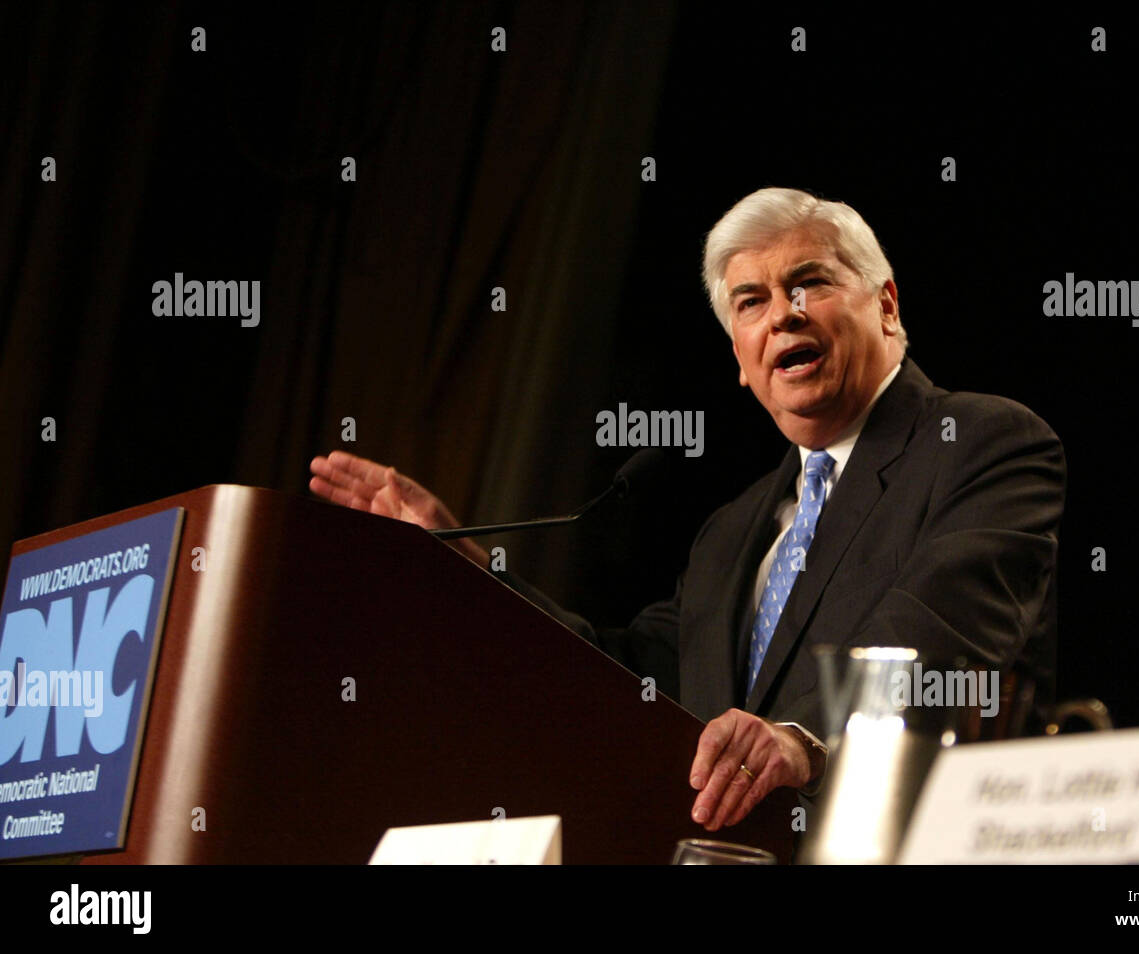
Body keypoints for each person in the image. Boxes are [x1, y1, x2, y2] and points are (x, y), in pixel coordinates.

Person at [309, 187, 1066, 835]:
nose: (783, 315)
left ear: (887, 306)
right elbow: (626, 677)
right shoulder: (733, 531)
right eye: (751, 302)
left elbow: (939, 632)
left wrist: (801, 738)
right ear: (740, 359)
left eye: (809, 283)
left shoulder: (980, 443)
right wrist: (470, 571)